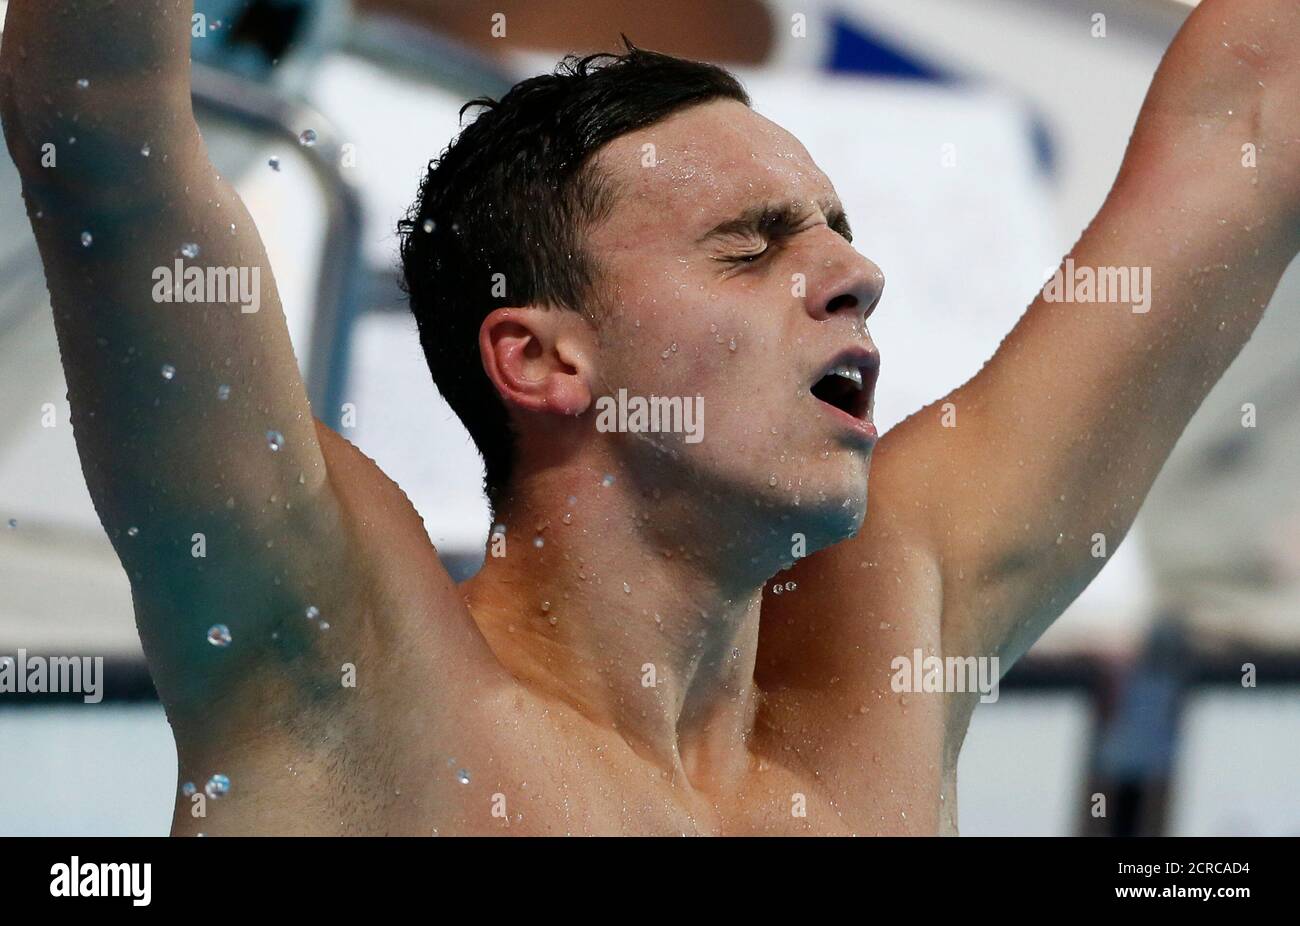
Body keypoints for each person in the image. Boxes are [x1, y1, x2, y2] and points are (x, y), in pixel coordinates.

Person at [1, 0, 1296, 835]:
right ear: (541, 358)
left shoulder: (876, 689)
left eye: (840, 235)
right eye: (752, 247)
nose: (856, 275)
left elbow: (1251, 124)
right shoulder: (347, 677)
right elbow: (100, 130)